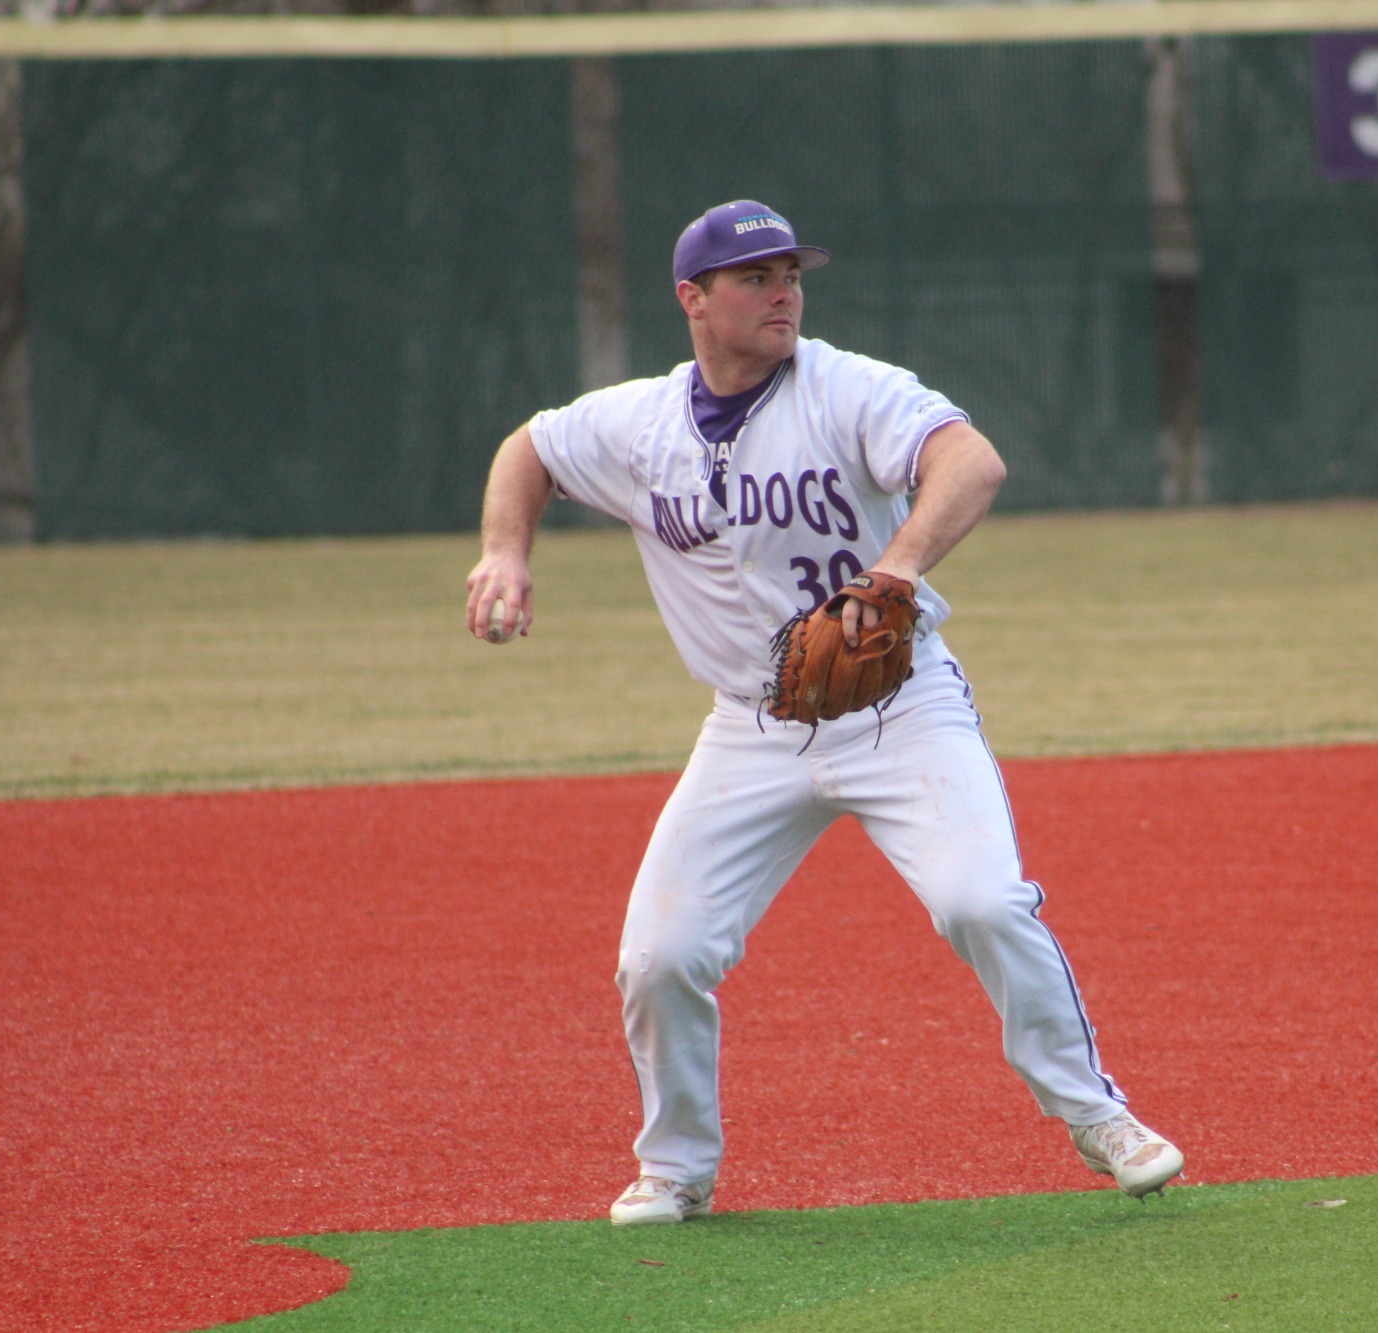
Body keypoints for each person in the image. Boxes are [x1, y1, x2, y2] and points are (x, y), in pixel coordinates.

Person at [465, 199, 1183, 1225]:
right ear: (693, 299)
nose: (782, 292)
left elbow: (970, 461)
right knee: (659, 957)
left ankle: (1095, 1113)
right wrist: (505, 549)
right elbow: (528, 450)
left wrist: (891, 572)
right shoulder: (634, 423)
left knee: (981, 902)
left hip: (899, 708)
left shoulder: (845, 387)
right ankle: (674, 1167)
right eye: (755, 277)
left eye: (790, 274)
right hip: (748, 727)